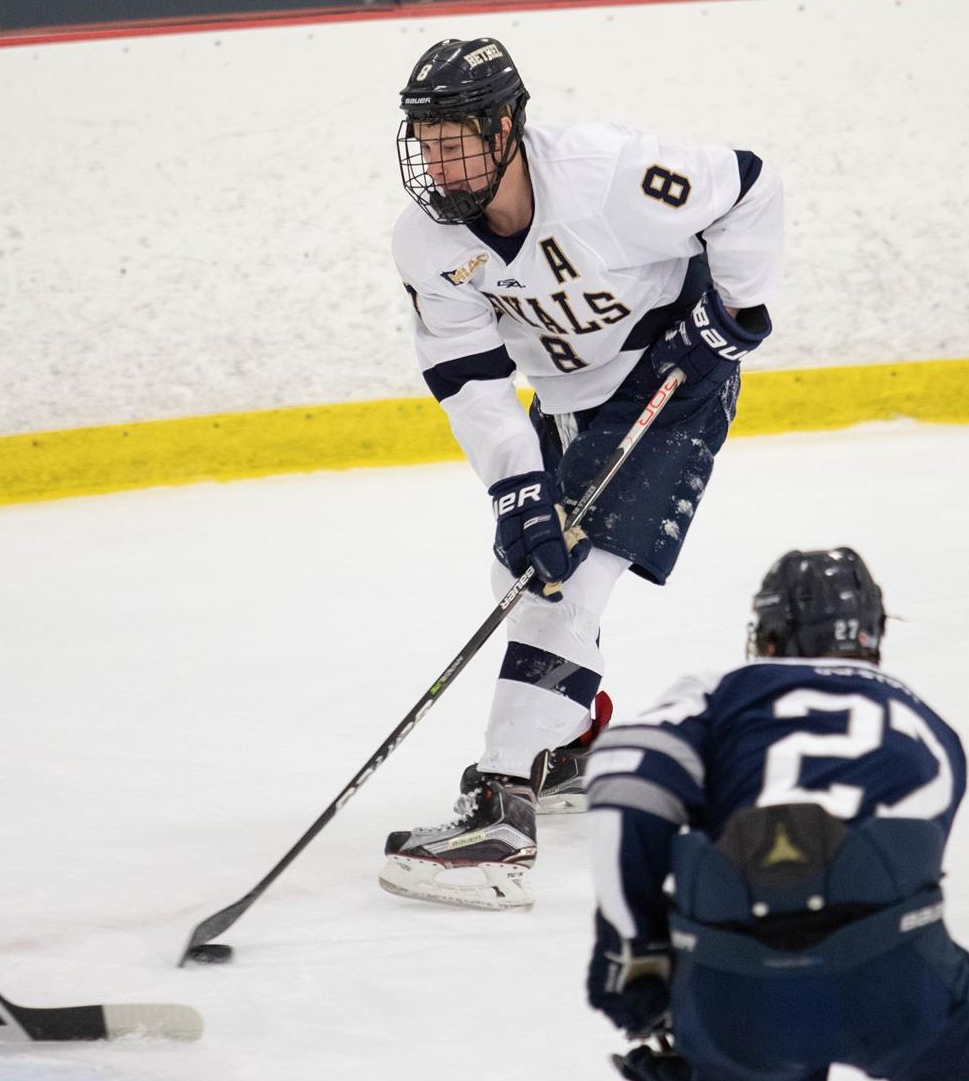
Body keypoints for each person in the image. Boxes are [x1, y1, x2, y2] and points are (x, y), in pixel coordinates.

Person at [379, 37, 784, 910]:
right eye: (426, 140)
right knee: (522, 567)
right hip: (563, 402)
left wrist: (734, 313)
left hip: (668, 382)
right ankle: (573, 744)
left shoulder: (608, 177)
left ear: (507, 125)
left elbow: (747, 183)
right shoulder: (428, 244)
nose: (439, 162)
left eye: (457, 137)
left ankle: (501, 808)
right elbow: (472, 382)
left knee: (568, 581)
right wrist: (515, 484)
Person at [585, 548, 969, 1081]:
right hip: (890, 969)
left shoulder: (725, 692)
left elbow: (626, 776)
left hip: (736, 980)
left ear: (773, 634)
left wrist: (634, 949)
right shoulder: (929, 726)